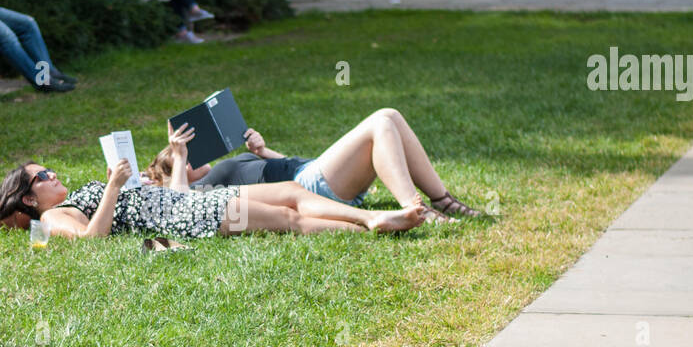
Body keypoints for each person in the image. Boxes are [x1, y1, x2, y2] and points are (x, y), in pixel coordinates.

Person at [0, 156, 426, 239]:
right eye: (43, 177)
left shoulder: (61, 203)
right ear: (30, 200)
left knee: (293, 191)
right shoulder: (54, 219)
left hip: (180, 202)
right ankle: (371, 223)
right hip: (192, 216)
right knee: (288, 219)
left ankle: (374, 217)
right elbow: (91, 242)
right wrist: (113, 187)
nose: (53, 176)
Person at [146, 108, 484, 218]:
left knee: (391, 116)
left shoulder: (218, 173)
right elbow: (179, 206)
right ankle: (416, 208)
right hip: (314, 186)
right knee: (381, 121)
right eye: (183, 156)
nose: (191, 156)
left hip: (312, 173)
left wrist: (264, 152)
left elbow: (280, 171)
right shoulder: (198, 192)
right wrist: (178, 159)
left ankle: (443, 200)